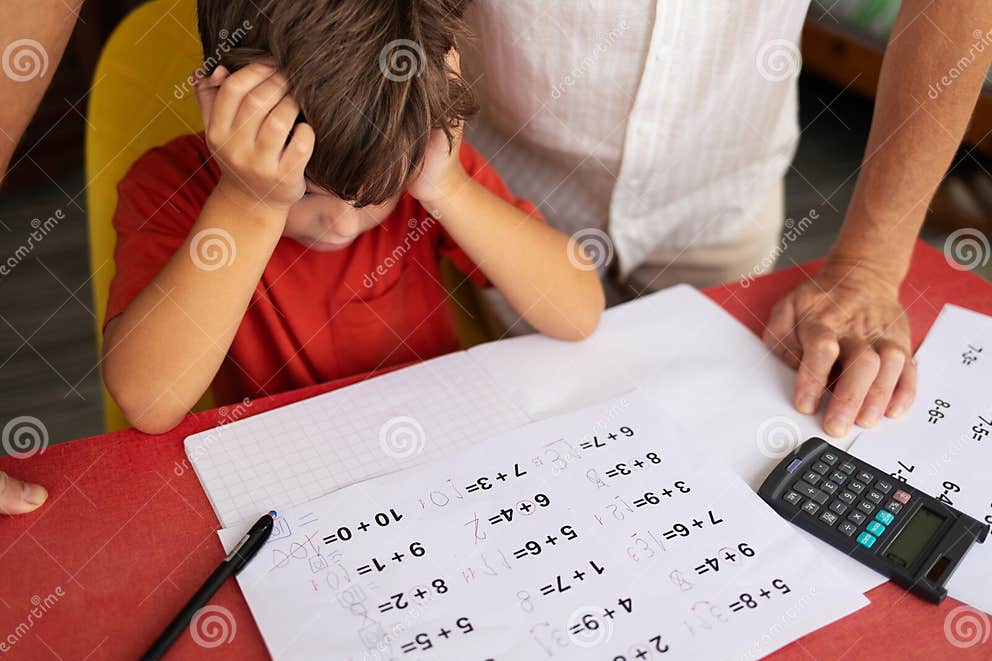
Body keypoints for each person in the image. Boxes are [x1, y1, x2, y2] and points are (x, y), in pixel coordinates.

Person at [460, 0, 992, 440]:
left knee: (728, 429)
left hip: (725, 186)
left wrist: (869, 265)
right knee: (539, 435)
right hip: (505, 188)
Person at [99, 0, 605, 434]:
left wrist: (445, 188)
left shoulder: (421, 158)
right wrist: (249, 204)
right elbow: (148, 402)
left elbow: (578, 312)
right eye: (304, 195)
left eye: (371, 200)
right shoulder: (171, 187)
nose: (341, 224)